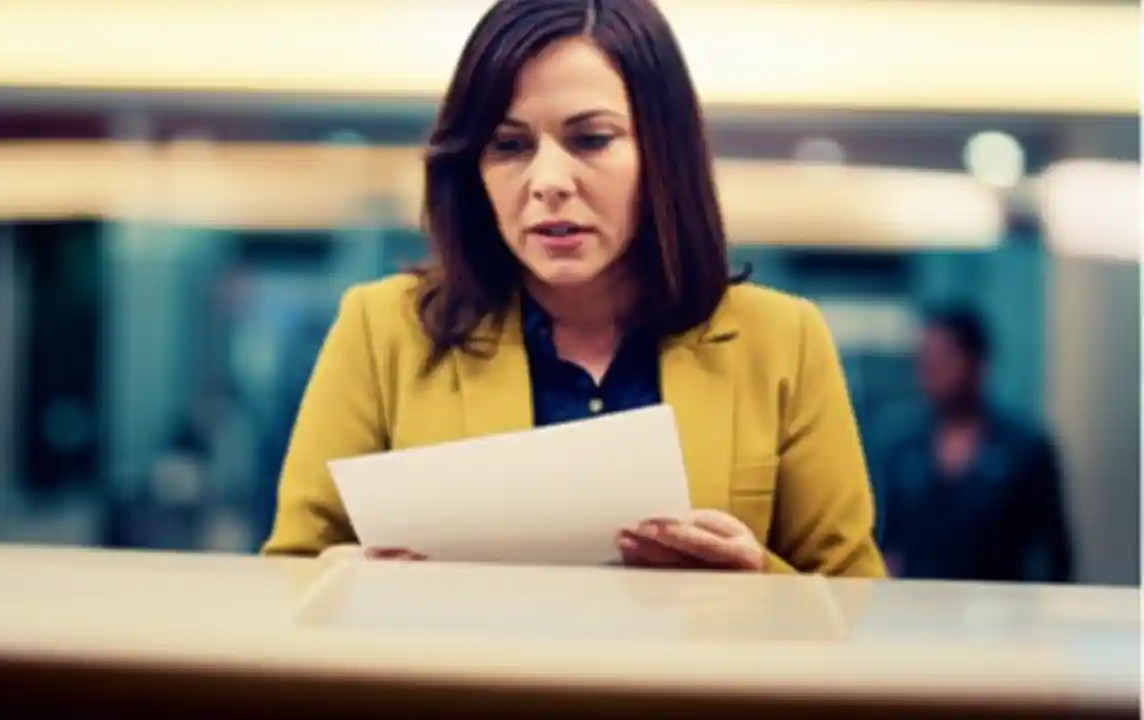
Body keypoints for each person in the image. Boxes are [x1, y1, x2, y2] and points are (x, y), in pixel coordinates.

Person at [263, 0, 885, 576]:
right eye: (509, 146)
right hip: (463, 694)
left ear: (663, 151)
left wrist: (757, 584)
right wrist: (352, 585)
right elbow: (291, 572)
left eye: (591, 139)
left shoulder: (782, 340)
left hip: (688, 694)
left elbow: (854, 599)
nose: (548, 181)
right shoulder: (384, 329)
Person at [876, 309, 1073, 582]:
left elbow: (1055, 552)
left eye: (945, 357)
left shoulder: (1025, 447)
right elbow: (889, 543)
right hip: (920, 610)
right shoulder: (903, 447)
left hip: (1003, 609)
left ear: (977, 362)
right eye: (924, 360)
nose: (931, 370)